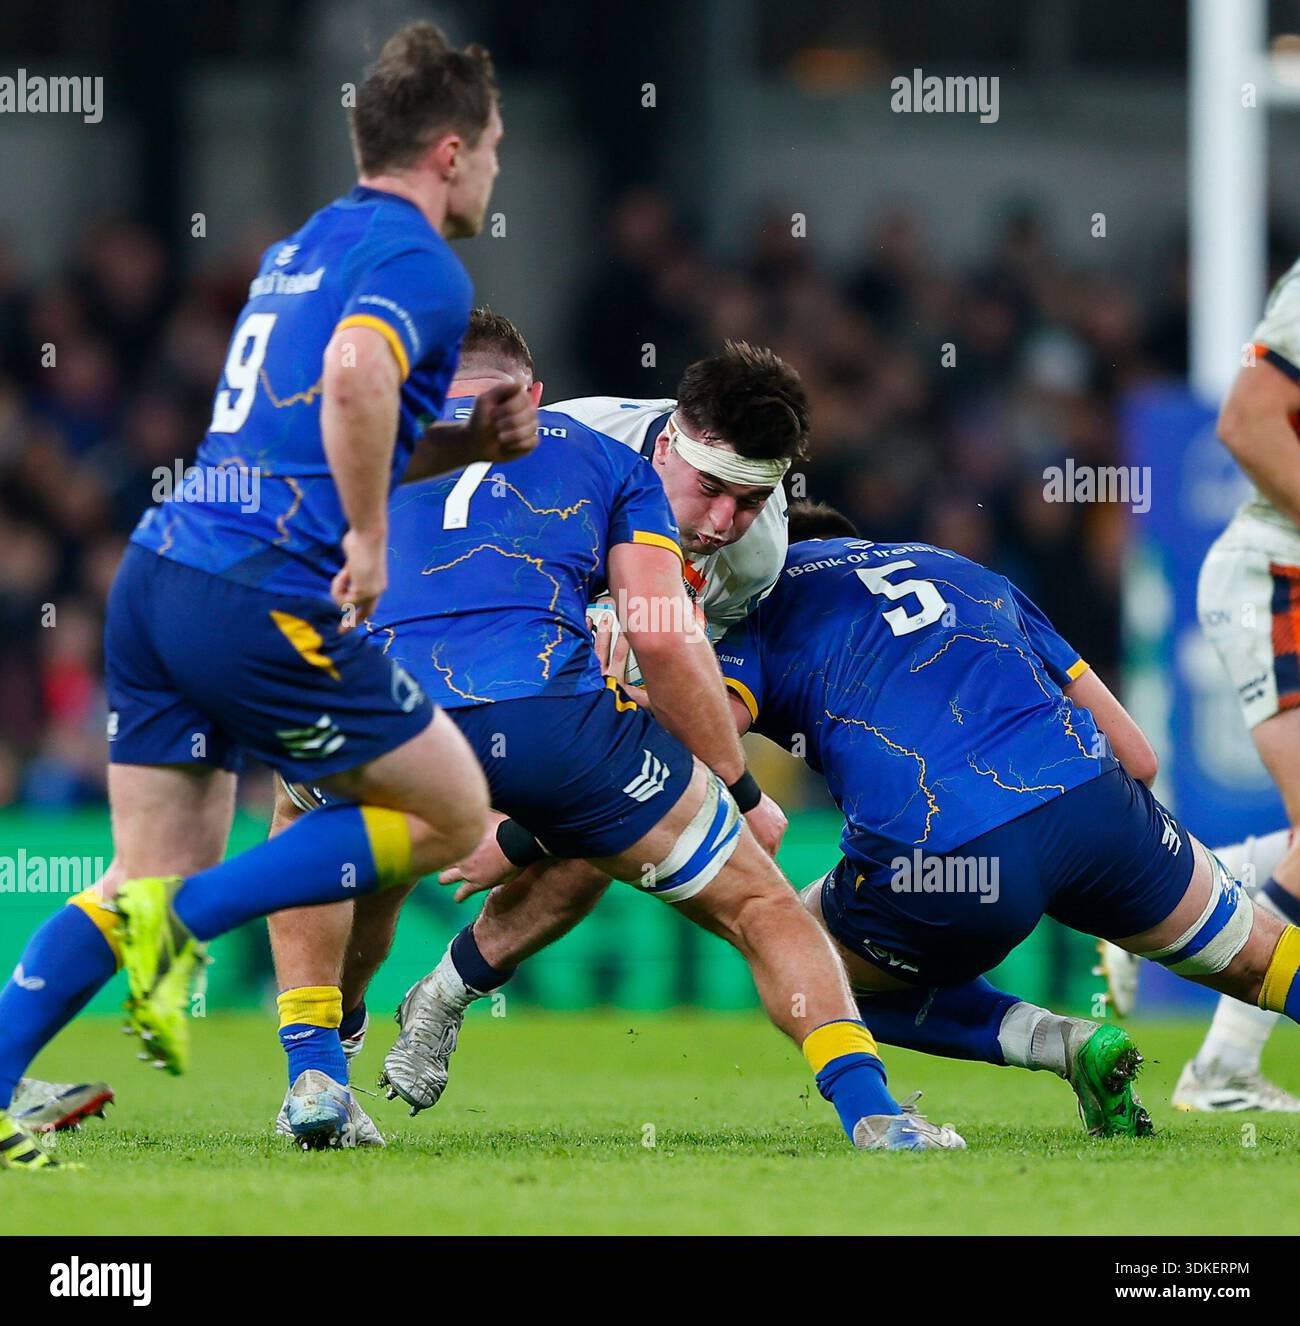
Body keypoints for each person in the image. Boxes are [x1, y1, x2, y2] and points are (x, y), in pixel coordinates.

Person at [0, 21, 534, 1171]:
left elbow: (335, 414)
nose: (496, 165)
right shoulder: (421, 265)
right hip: (258, 592)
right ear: (448, 150)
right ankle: (183, 934)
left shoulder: (308, 244)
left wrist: (459, 442)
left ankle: (1, 1071)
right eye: (492, 143)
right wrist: (372, 539)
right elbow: (352, 379)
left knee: (143, 867)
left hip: (160, 573)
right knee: (446, 810)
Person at [278, 311, 967, 1153]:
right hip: (548, 703)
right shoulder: (600, 447)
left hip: (408, 696)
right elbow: (664, 640)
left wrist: (518, 835)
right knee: (758, 897)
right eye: (710, 488)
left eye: (750, 501)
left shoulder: (363, 450)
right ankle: (876, 1116)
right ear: (667, 443)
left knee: (314, 825)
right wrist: (742, 791)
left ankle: (332, 1055)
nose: (719, 524)